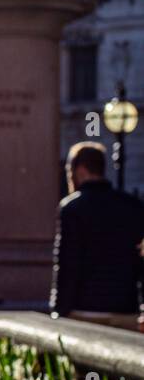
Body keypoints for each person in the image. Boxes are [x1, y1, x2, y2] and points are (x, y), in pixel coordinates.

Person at [51, 141, 144, 331]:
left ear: (80, 170)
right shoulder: (132, 206)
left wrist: (59, 311)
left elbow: (68, 263)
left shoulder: (71, 208)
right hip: (126, 309)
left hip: (83, 310)